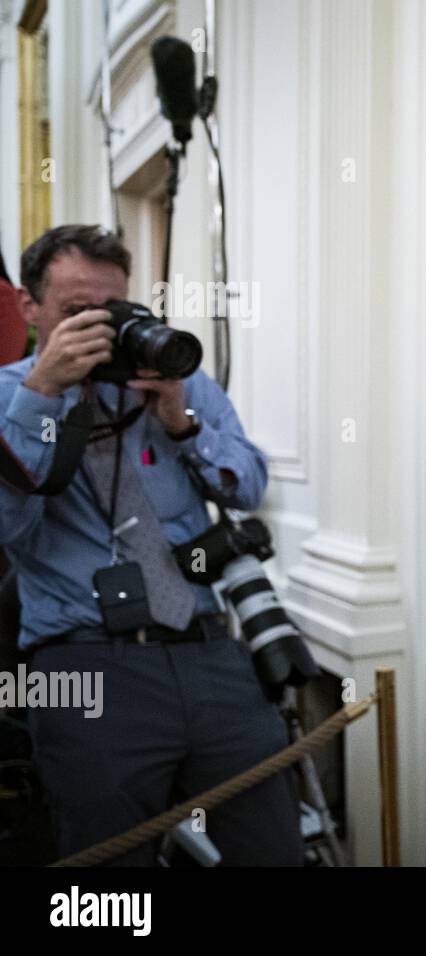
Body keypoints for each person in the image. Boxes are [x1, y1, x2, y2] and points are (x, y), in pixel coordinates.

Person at [0, 225, 302, 865]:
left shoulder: (174, 379)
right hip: (84, 666)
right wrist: (41, 395)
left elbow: (249, 484)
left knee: (272, 846)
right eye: (75, 313)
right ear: (30, 310)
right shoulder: (9, 398)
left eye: (113, 311)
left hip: (209, 650)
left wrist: (182, 423)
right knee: (106, 876)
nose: (99, 331)